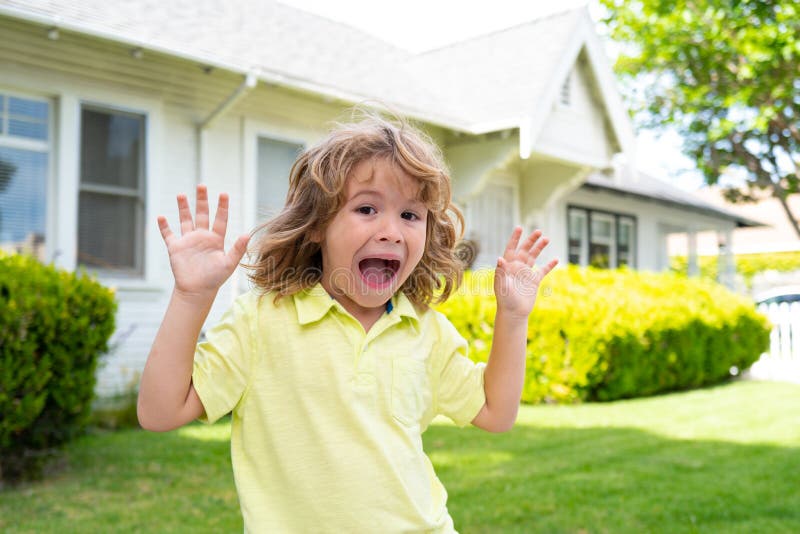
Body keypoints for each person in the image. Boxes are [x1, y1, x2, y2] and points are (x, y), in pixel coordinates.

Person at [137, 113, 557, 533]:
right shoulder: (261, 321)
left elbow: (495, 413)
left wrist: (514, 317)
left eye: (411, 215)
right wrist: (192, 297)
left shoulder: (424, 330)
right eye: (367, 208)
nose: (391, 231)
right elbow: (160, 412)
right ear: (318, 225)